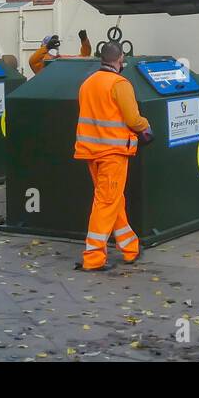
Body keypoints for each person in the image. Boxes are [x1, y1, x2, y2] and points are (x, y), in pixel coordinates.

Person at [74, 42, 152, 271]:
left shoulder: (87, 83)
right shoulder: (120, 84)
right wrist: (147, 126)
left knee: (113, 199)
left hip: (91, 152)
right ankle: (94, 258)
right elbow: (133, 119)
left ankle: (130, 248)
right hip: (113, 153)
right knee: (107, 202)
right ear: (121, 59)